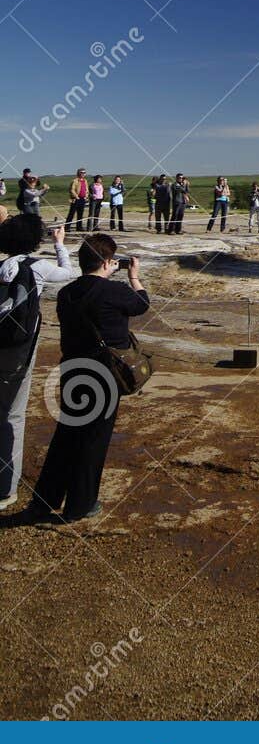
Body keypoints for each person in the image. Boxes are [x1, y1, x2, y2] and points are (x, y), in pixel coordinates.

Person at [28, 235, 149, 524]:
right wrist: (135, 277)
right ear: (108, 262)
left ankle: (45, 498)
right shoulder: (114, 290)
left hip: (73, 367)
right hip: (104, 373)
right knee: (94, 439)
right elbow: (141, 304)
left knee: (67, 434)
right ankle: (80, 505)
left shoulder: (66, 293)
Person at [0, 215, 77, 510]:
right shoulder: (36, 267)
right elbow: (68, 273)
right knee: (13, 416)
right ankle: (6, 488)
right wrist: (60, 245)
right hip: (18, 351)